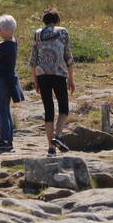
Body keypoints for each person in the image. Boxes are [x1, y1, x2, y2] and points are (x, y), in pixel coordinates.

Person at [29, 9, 76, 157]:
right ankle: (59, 136)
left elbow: (33, 59)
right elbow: (68, 57)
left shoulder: (38, 33)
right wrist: (71, 78)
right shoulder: (63, 32)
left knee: (48, 111)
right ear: (57, 20)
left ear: (44, 21)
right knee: (63, 109)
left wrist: (35, 80)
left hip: (42, 74)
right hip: (59, 73)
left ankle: (51, 149)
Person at [0, 14, 25, 152]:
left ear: (7, 30)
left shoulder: (6, 46)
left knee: (1, 111)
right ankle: (7, 139)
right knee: (5, 111)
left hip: (0, 81)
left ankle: (5, 140)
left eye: (1, 29)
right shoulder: (12, 42)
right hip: (8, 80)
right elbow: (3, 43)